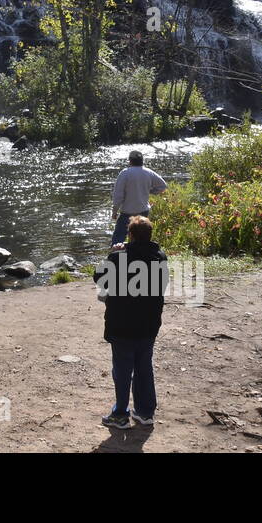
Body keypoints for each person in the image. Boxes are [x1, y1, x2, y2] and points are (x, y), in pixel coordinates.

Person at [94, 215, 168, 429]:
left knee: (122, 370)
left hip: (122, 324)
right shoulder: (160, 257)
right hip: (149, 324)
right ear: (150, 235)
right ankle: (145, 412)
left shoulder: (119, 258)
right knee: (144, 366)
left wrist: (113, 253)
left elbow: (98, 277)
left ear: (131, 236)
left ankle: (120, 413)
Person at [110, 150, 167, 246]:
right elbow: (163, 186)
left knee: (118, 239)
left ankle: (117, 258)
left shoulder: (125, 173)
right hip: (143, 212)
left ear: (130, 161)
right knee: (141, 239)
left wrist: (114, 212)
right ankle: (139, 257)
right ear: (142, 160)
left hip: (127, 213)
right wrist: (151, 191)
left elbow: (118, 196)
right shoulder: (148, 172)